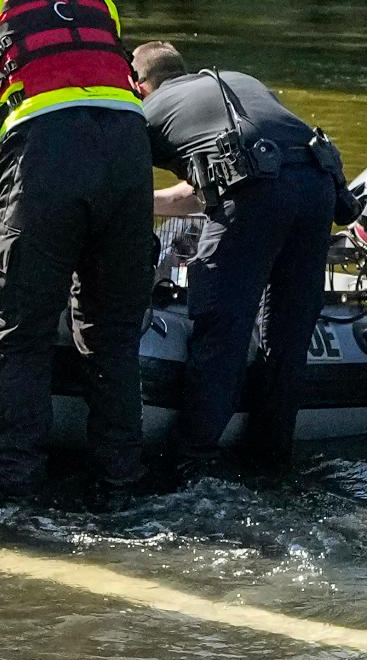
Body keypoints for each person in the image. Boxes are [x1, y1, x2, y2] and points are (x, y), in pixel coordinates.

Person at [0, 0, 152, 508]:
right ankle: (121, 487)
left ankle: (15, 494)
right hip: (126, 147)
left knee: (23, 334)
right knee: (113, 338)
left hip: (44, 150)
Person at [133, 41, 342, 477]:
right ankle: (272, 461)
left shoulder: (150, 112)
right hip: (319, 187)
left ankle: (192, 462)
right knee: (288, 335)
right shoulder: (235, 82)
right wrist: (148, 201)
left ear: (140, 85)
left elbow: (113, 175)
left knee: (222, 332)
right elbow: (215, 182)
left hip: (257, 196)